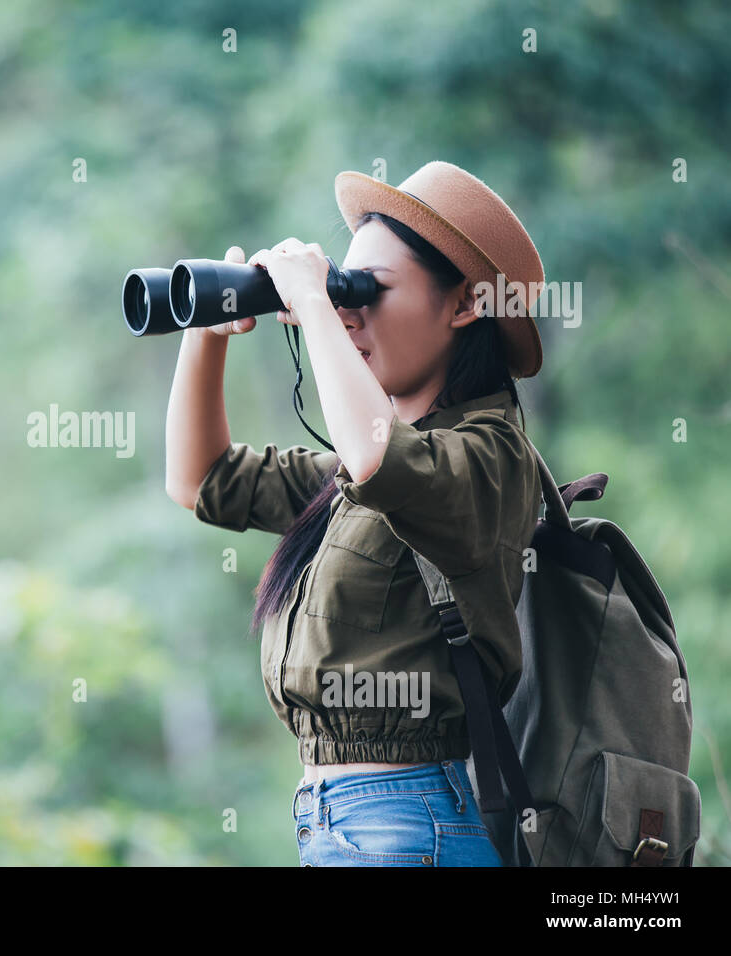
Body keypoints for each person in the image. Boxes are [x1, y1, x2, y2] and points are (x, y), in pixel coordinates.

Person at [163, 161, 547, 866]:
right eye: (344, 286)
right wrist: (209, 328)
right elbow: (200, 480)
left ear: (464, 306)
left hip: (408, 823)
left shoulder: (489, 458)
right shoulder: (355, 476)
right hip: (342, 823)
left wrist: (313, 305)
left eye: (368, 290)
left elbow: (377, 457)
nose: (348, 309)